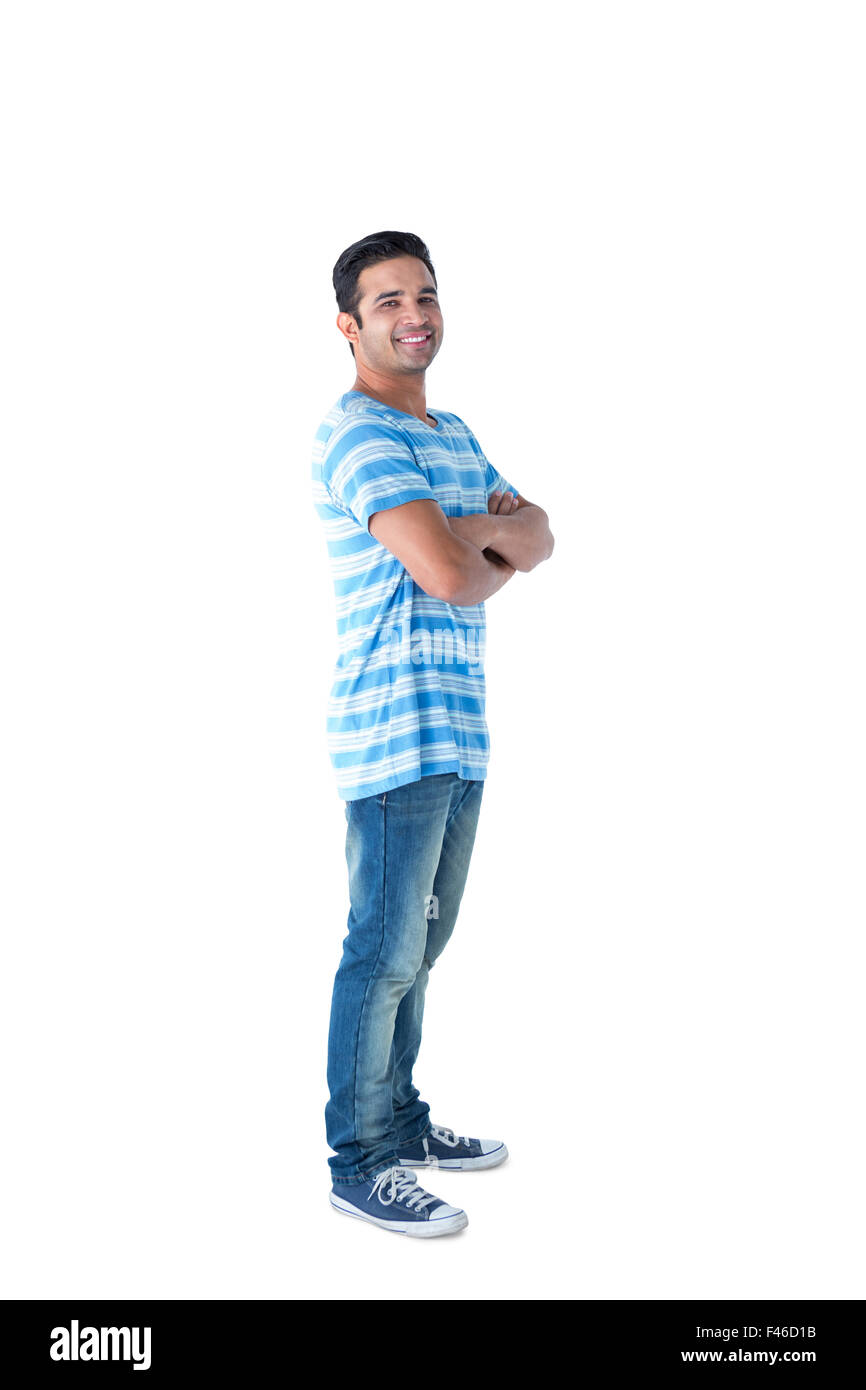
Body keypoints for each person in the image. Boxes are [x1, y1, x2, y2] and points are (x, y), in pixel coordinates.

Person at [311, 231, 554, 1237]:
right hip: (392, 731)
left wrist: (476, 539)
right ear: (348, 326)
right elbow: (458, 574)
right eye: (387, 302)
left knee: (423, 944)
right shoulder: (358, 436)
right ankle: (359, 1158)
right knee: (381, 949)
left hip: (458, 727)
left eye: (425, 294)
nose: (414, 315)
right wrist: (478, 545)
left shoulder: (451, 432)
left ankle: (400, 1119)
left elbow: (539, 529)